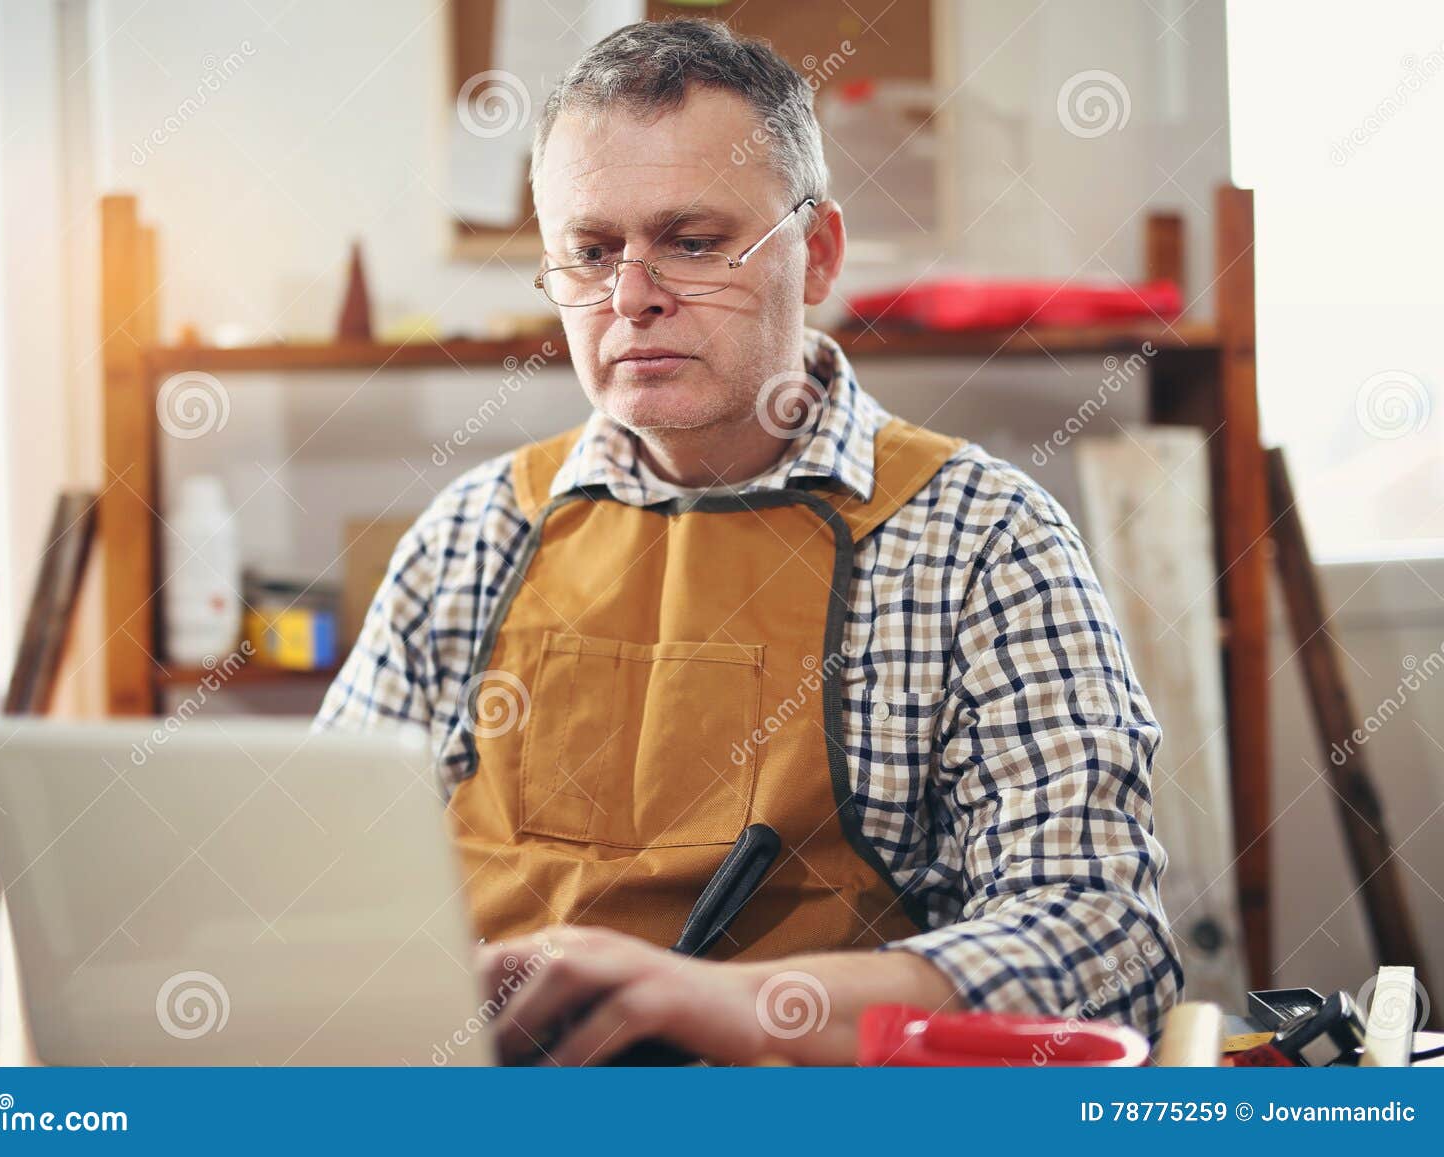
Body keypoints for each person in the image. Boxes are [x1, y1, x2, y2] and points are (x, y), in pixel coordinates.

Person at [316, 18, 1181, 1066]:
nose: (633, 296)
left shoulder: (980, 542)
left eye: (691, 241)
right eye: (590, 253)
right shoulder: (470, 536)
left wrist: (733, 1002)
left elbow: (1104, 949)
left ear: (815, 256)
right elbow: (324, 896)